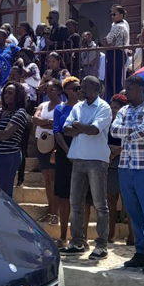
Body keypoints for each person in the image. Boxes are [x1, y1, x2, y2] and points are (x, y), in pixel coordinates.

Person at [110, 75, 144, 275]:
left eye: (129, 89)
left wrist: (127, 131)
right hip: (125, 167)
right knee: (133, 213)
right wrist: (131, 131)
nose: (126, 93)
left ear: (141, 89)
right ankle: (141, 252)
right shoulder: (124, 110)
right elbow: (114, 130)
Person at [60, 76, 113, 260]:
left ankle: (101, 245)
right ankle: (77, 242)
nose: (81, 91)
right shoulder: (77, 106)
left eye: (85, 87)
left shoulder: (104, 107)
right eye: (81, 87)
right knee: (75, 203)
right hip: (78, 158)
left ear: (96, 89)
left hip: (97, 160)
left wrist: (77, 126)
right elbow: (66, 130)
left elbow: (94, 130)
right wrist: (82, 127)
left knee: (100, 204)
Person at [0, 82, 29, 197]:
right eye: (5, 93)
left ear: (17, 96)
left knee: (4, 192)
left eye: (10, 93)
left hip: (8, 157)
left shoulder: (20, 113)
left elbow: (6, 134)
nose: (6, 96)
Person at [52, 77, 82, 248]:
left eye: (79, 88)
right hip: (65, 156)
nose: (77, 91)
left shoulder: (85, 108)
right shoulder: (60, 108)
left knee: (81, 197)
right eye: (73, 88)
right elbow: (57, 130)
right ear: (66, 91)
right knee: (64, 197)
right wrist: (66, 150)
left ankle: (80, 236)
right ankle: (63, 235)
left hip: (82, 153)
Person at [33, 80, 63, 226]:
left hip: (53, 144)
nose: (48, 92)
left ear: (58, 90)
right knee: (46, 178)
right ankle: (50, 211)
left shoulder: (61, 106)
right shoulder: (43, 105)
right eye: (47, 90)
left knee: (53, 179)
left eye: (52, 90)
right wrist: (49, 123)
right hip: (41, 144)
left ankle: (55, 213)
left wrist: (44, 122)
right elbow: (35, 119)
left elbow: (57, 124)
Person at [106, 94, 133, 244]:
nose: (113, 110)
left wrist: (119, 150)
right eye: (112, 107)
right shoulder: (108, 123)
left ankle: (132, 235)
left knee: (127, 201)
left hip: (126, 163)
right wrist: (112, 149)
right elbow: (103, 140)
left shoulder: (128, 122)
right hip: (111, 163)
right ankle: (111, 234)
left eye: (116, 107)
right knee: (111, 200)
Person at [103, 5, 130, 100]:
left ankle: (116, 99)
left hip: (115, 53)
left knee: (113, 79)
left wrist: (107, 40)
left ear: (121, 14)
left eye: (114, 14)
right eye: (111, 14)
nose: (112, 16)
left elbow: (108, 40)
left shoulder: (118, 26)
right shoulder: (119, 25)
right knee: (113, 78)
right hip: (116, 52)